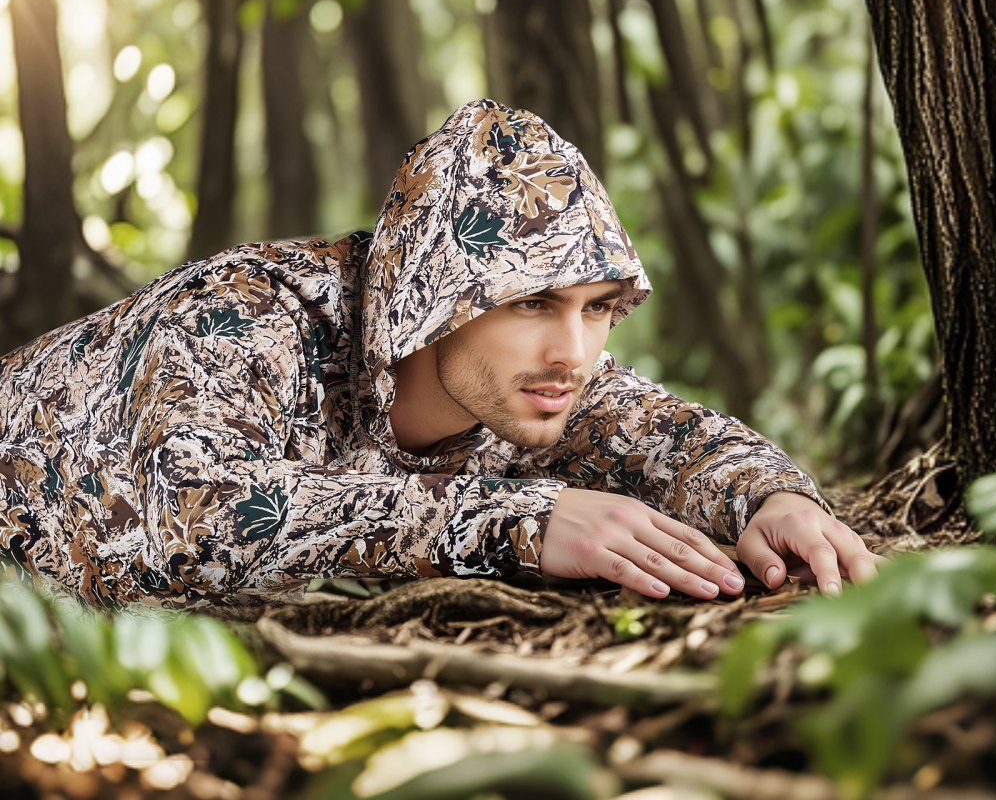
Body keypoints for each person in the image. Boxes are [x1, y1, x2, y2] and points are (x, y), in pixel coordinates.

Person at [0, 100, 878, 611]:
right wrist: (520, 522)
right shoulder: (240, 319)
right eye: (531, 301)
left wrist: (774, 499)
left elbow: (675, 437)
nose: (572, 351)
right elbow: (191, 522)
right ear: (432, 301)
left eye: (598, 310)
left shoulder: (543, 372)